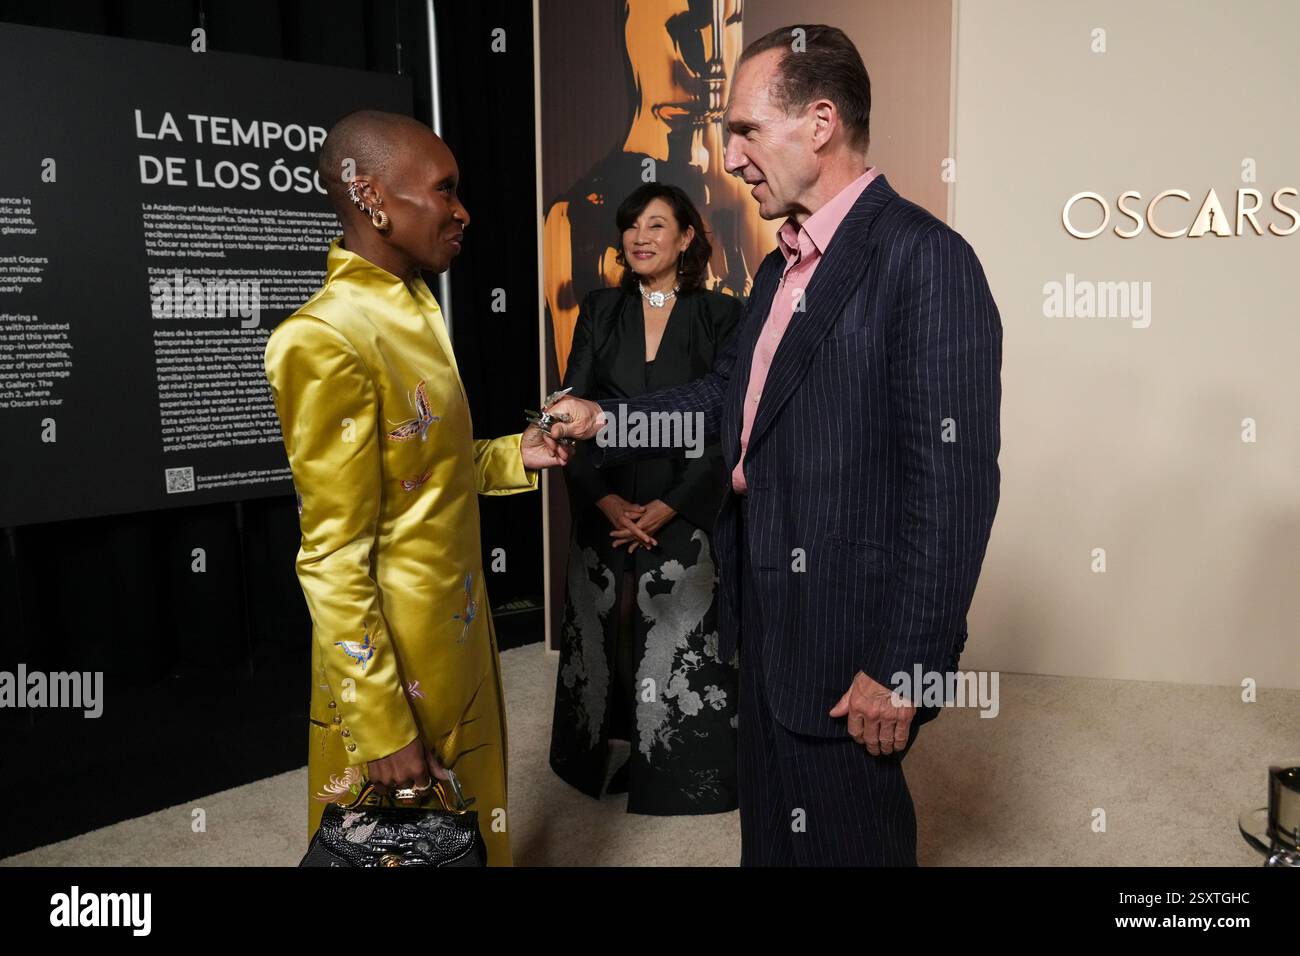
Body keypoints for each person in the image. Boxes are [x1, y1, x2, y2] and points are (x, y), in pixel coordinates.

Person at [544, 25, 1003, 865]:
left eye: (748, 130)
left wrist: (908, 667)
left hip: (852, 635)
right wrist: (605, 420)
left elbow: (955, 492)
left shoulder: (927, 261)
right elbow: (729, 397)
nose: (731, 157)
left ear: (820, 123)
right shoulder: (779, 266)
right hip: (762, 612)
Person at [263, 110, 566, 867]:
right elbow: (330, 556)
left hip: (456, 633)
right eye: (445, 190)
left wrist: (512, 457)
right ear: (370, 197)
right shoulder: (325, 336)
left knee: (464, 834)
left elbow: (428, 468)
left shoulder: (413, 307)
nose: (462, 211)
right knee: (402, 844)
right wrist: (380, 723)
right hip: (396, 660)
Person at [549, 183, 742, 815]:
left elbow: (725, 421)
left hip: (686, 502)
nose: (640, 237)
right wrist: (602, 500)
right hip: (605, 498)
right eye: (632, 225)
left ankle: (671, 764)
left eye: (657, 225)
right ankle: (603, 746)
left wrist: (676, 504)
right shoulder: (599, 310)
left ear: (686, 238)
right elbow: (568, 411)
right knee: (611, 623)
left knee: (676, 628)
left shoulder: (722, 315)